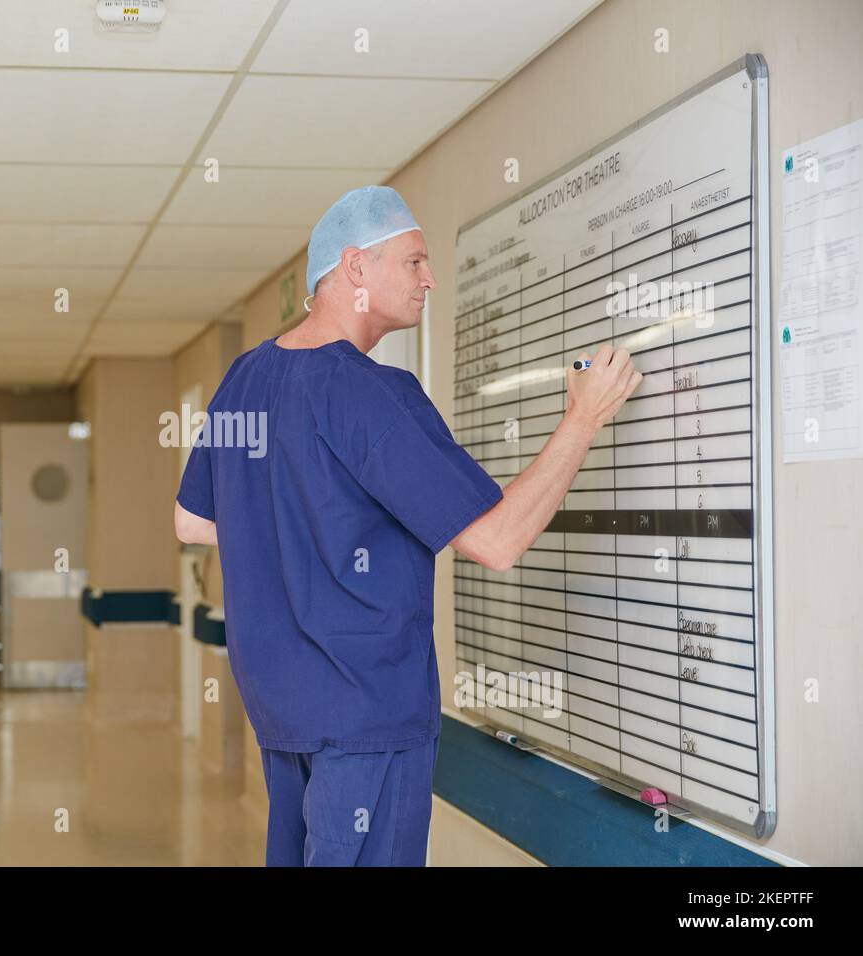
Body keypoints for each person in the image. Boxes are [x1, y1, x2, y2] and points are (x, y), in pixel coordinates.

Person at [173, 185, 642, 866]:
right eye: (415, 261)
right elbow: (498, 540)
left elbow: (191, 521)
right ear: (356, 268)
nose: (430, 278)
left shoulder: (244, 381)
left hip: (283, 720)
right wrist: (583, 419)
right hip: (369, 720)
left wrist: (298, 525)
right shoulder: (374, 395)